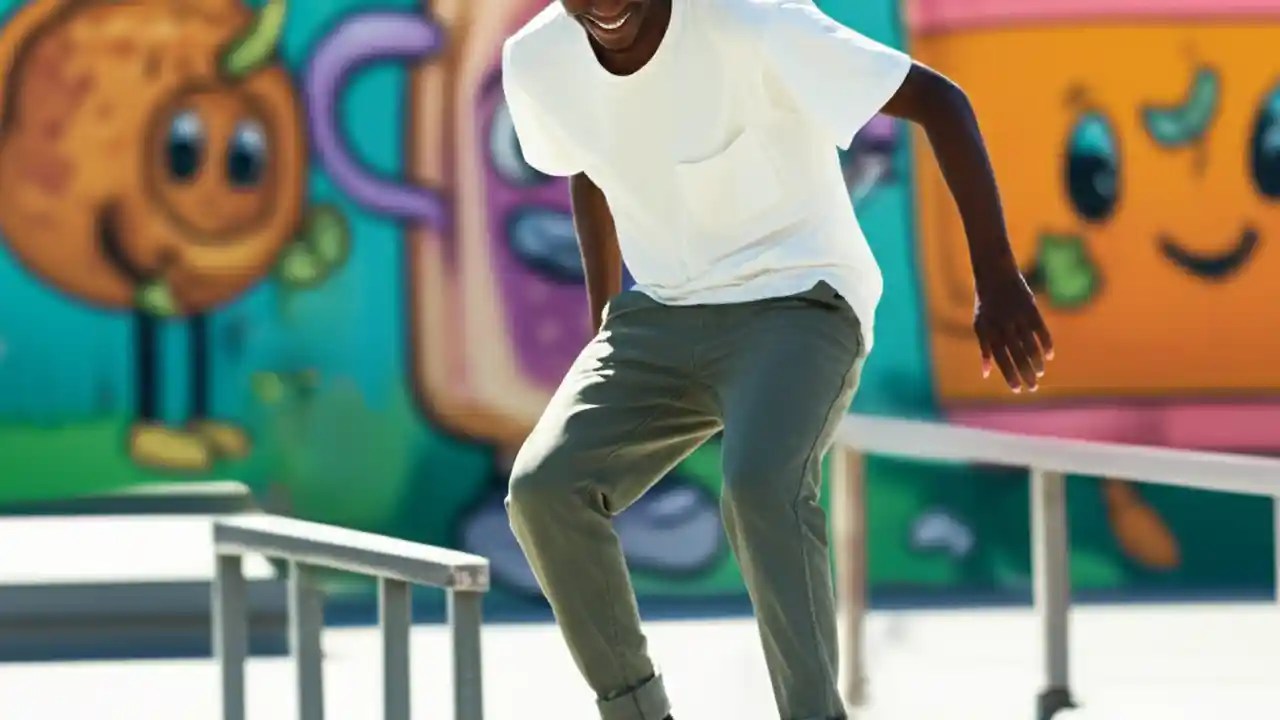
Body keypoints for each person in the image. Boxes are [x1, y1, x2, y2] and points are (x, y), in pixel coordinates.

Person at [499, 1, 1054, 718]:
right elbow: (588, 167)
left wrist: (998, 279)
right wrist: (606, 322)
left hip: (800, 301)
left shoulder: (749, 21)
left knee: (761, 483)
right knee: (544, 490)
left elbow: (940, 101)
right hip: (659, 317)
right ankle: (635, 708)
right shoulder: (538, 61)